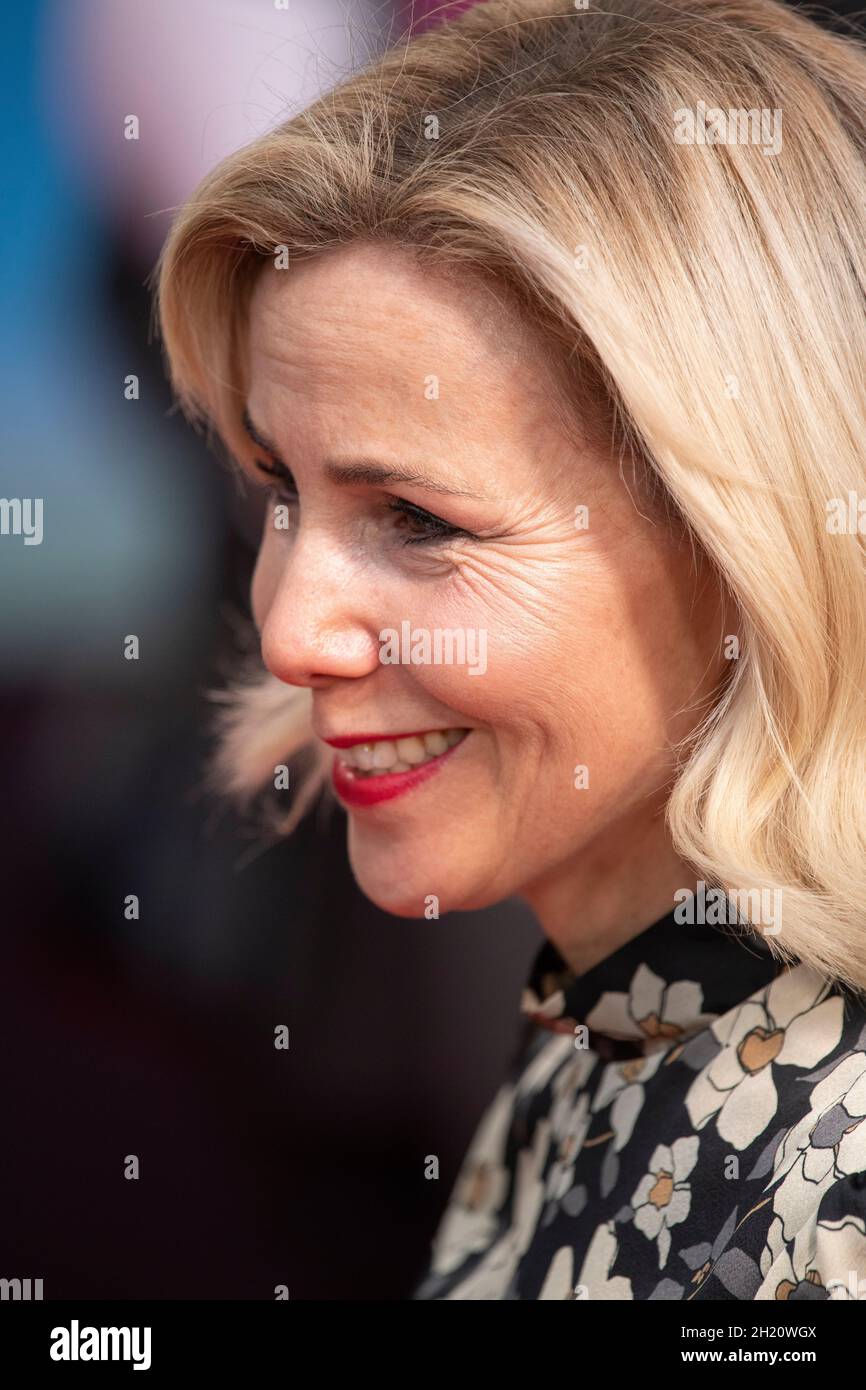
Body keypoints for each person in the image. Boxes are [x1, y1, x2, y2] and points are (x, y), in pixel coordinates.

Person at [157, 0, 866, 1298]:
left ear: (749, 548)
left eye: (417, 519)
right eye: (279, 491)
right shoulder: (626, 1012)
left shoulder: (829, 1188)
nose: (287, 630)